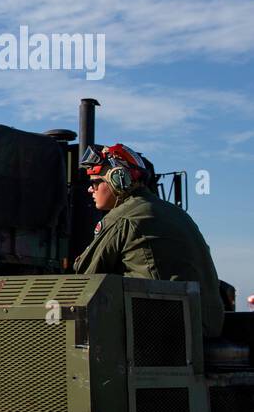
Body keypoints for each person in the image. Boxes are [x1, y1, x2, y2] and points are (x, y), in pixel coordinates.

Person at [73, 142, 225, 338]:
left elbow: (85, 275)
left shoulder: (124, 216)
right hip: (203, 330)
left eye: (95, 182)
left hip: (165, 338)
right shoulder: (176, 213)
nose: (89, 190)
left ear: (118, 180)